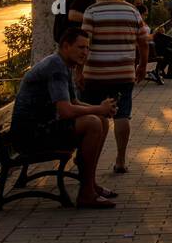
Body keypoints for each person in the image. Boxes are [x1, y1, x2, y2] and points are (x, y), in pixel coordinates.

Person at [10, 27, 119, 208]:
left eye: (87, 48)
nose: (85, 52)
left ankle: (90, 183)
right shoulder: (56, 67)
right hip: (30, 136)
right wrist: (98, 108)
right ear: (66, 46)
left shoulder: (64, 65)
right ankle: (86, 194)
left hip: (43, 127)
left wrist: (101, 110)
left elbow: (74, 101)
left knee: (101, 120)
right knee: (93, 123)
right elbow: (66, 111)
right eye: (81, 47)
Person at [79, 0, 150, 175]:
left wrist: (78, 70)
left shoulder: (92, 11)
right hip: (123, 73)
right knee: (122, 115)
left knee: (91, 113)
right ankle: (120, 159)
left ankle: (86, 158)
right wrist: (143, 65)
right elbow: (143, 41)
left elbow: (84, 45)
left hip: (95, 74)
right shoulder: (132, 11)